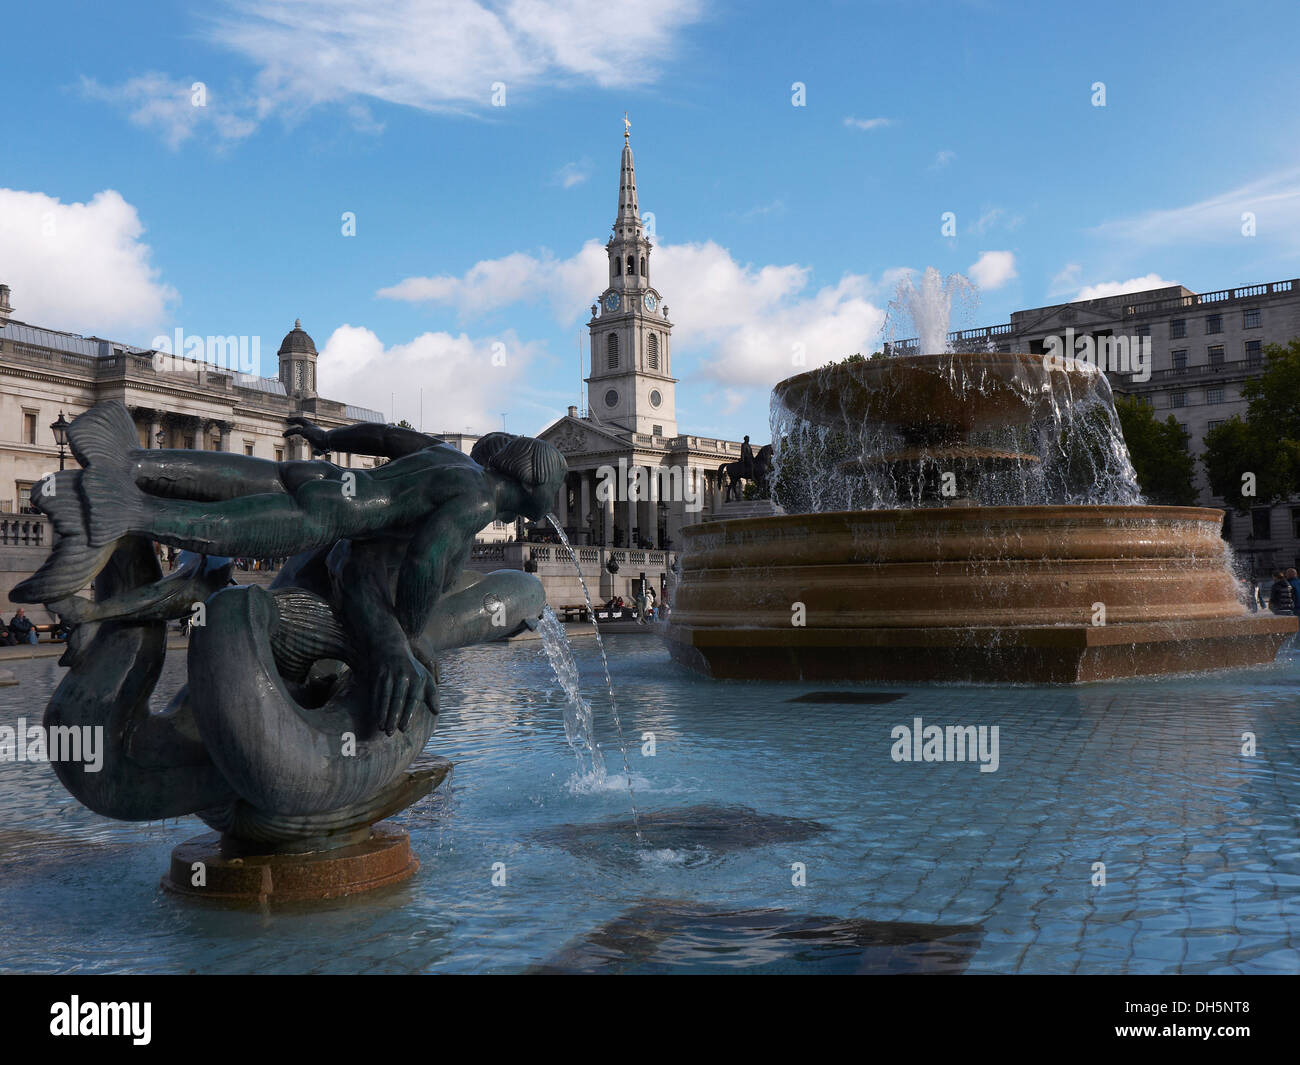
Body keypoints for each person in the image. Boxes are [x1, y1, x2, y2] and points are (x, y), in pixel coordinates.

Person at [16, 403, 567, 735]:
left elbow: (386, 438)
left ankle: (130, 461)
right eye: (555, 487)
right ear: (532, 485)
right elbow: (426, 560)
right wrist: (406, 636)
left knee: (248, 476)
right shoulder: (477, 505)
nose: (556, 498)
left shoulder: (454, 459)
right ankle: (127, 511)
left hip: (321, 478)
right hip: (332, 515)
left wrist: (330, 439)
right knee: (225, 527)